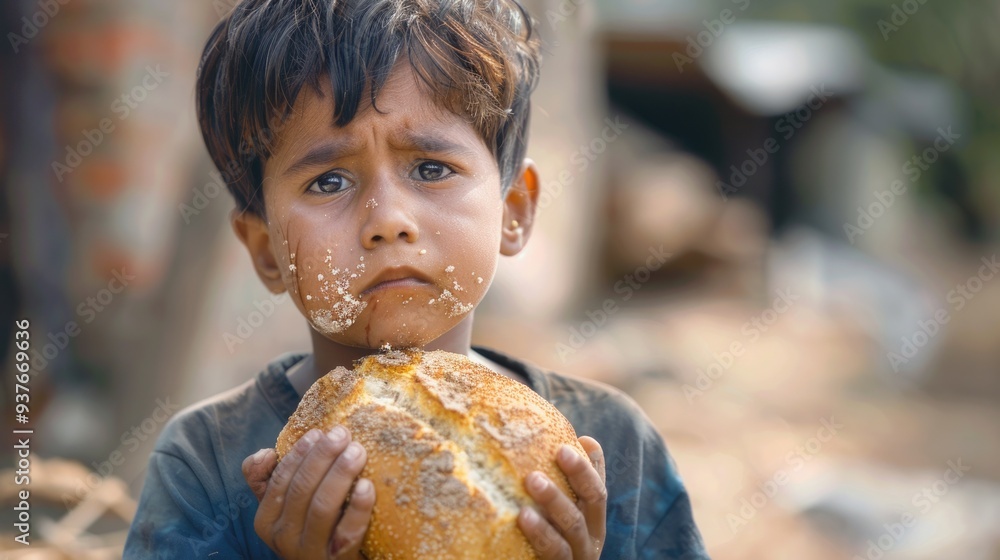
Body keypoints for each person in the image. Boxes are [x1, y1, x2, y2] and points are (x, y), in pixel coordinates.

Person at [124, 0, 710, 558]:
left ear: (513, 210)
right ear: (267, 251)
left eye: (431, 169)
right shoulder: (205, 462)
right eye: (328, 182)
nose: (388, 221)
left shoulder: (606, 449)